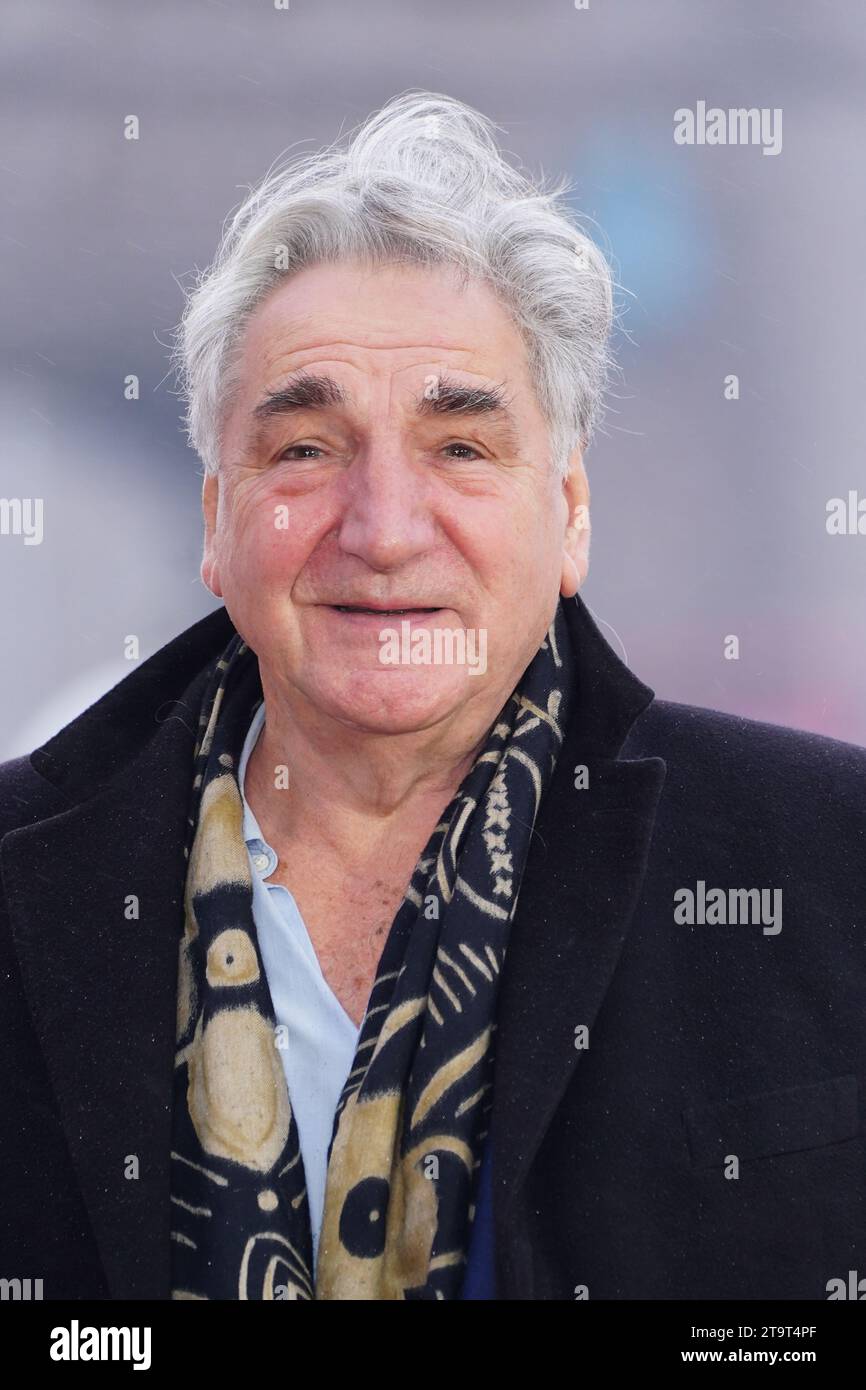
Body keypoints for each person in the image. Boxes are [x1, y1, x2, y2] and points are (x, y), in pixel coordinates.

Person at [1, 90, 864, 1303]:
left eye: (460, 448)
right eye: (305, 448)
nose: (384, 528)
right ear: (216, 521)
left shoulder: (825, 863)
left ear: (567, 514)